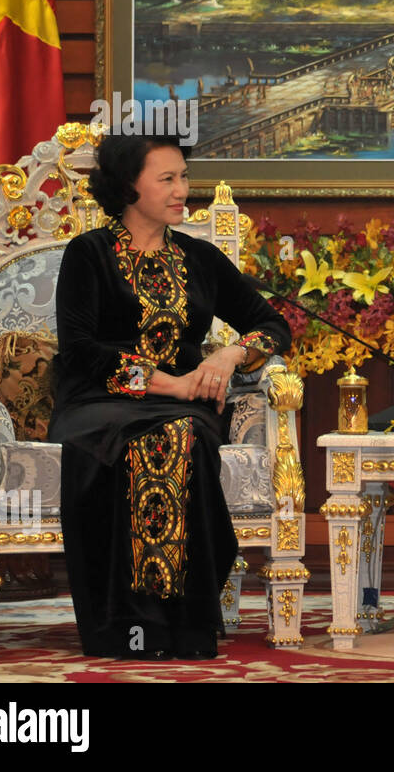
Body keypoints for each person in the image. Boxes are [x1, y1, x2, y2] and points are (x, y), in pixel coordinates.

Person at [48, 134, 291, 660]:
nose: (184, 189)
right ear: (128, 186)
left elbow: (272, 325)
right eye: (168, 179)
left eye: (184, 176)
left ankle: (180, 625)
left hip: (185, 409)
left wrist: (229, 356)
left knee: (180, 431)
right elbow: (82, 351)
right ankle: (132, 627)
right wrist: (173, 383)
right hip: (98, 403)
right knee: (159, 434)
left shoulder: (200, 258)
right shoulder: (88, 254)